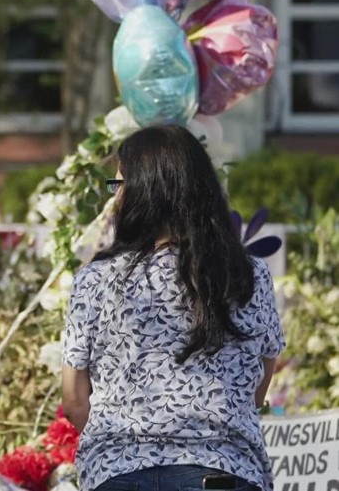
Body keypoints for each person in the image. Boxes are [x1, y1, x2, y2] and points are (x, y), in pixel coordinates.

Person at [62, 124, 284, 491]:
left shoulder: (96, 280)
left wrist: (129, 445)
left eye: (119, 186)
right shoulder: (249, 275)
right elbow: (258, 384)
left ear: (142, 194)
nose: (115, 198)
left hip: (119, 473)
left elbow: (73, 401)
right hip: (222, 471)